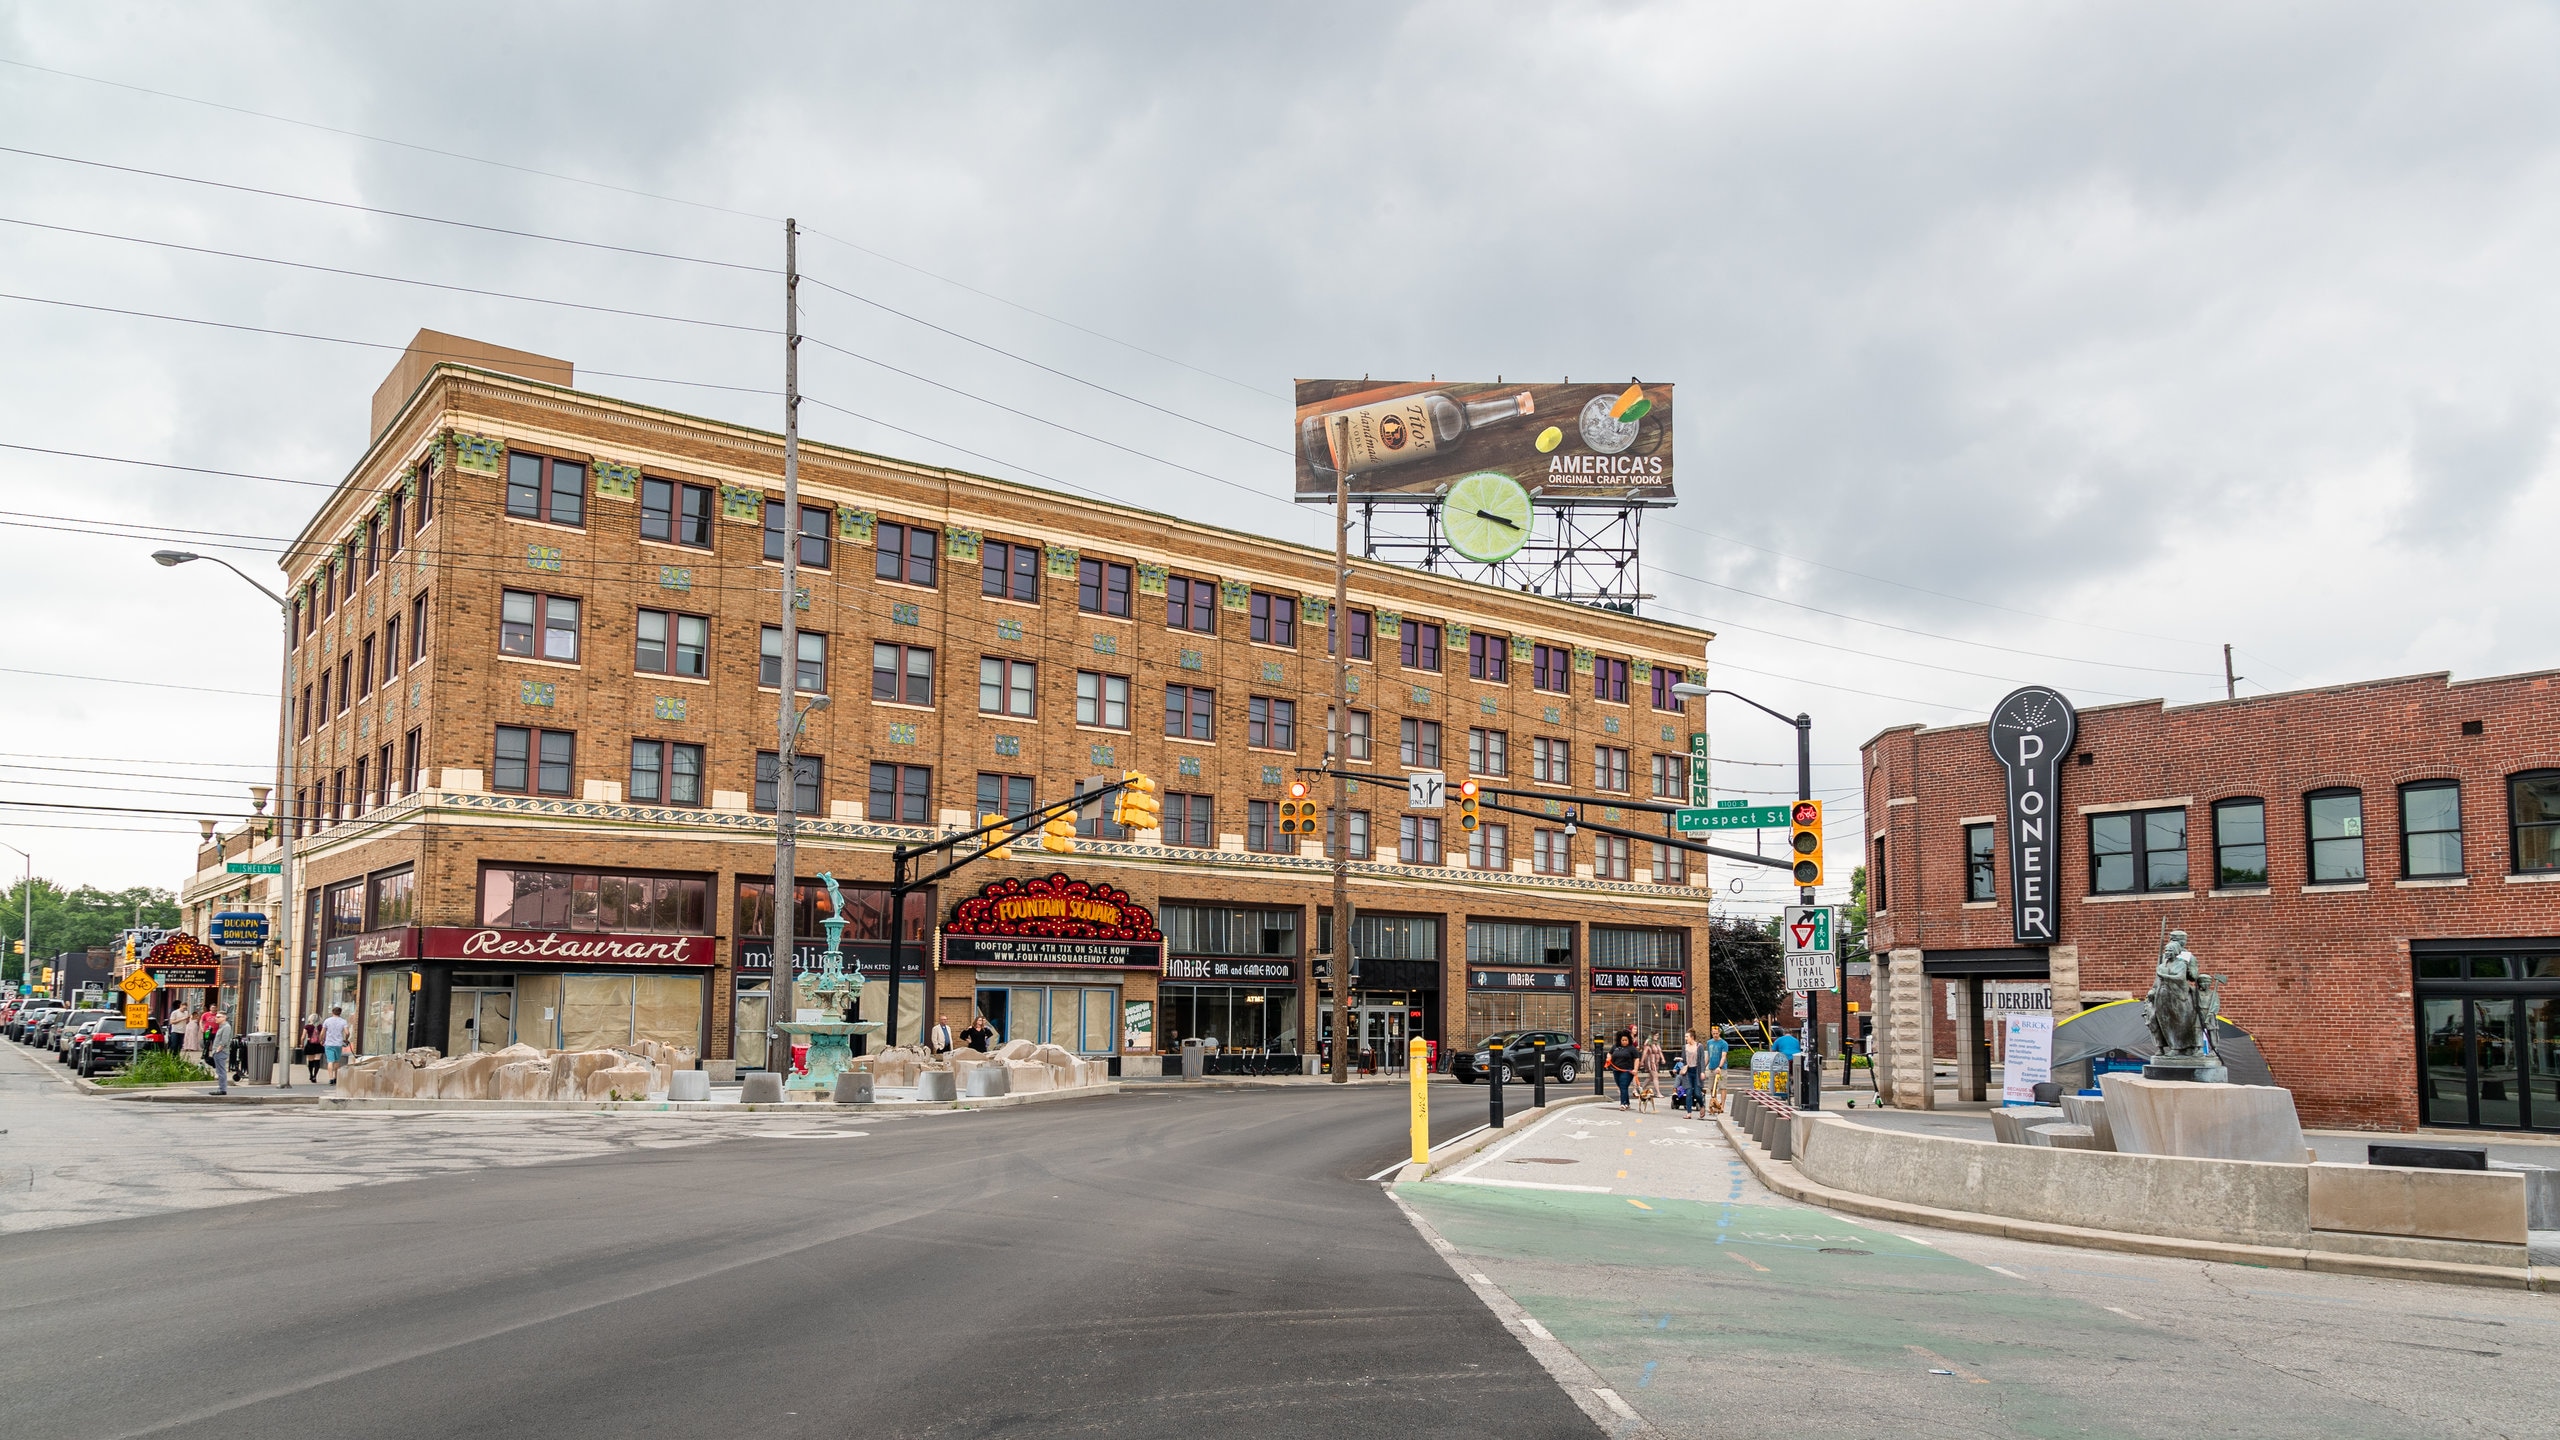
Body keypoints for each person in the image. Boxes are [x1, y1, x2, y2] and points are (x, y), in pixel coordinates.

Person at [204, 1008, 236, 1095]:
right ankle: (221, 1088)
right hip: (218, 1052)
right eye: (216, 1017)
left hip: (221, 1052)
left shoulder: (226, 1027)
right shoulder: (222, 1027)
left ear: (224, 1018)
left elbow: (224, 1040)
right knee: (219, 1070)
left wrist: (218, 1049)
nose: (216, 1018)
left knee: (221, 1071)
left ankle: (222, 1089)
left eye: (218, 1017)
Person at [1607, 1029, 1639, 1110]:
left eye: (1626, 1040)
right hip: (1616, 1070)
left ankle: (1623, 1103)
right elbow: (1610, 1053)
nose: (1624, 1042)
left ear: (1629, 1040)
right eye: (1622, 1040)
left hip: (1627, 1070)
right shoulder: (1615, 1047)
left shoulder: (1631, 1048)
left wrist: (1635, 1069)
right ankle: (1627, 1103)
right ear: (1619, 1040)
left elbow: (1636, 1059)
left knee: (1623, 1085)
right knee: (1621, 1086)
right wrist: (1609, 1057)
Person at [320, 1005, 352, 1084]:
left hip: (329, 1043)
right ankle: (336, 1077)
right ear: (340, 1013)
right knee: (337, 1061)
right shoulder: (343, 1021)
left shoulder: (327, 1021)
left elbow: (322, 1032)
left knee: (330, 1061)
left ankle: (330, 1078)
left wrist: (321, 1040)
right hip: (338, 1043)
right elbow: (347, 1032)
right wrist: (346, 1039)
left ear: (332, 1012)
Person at [300, 1013, 325, 1082]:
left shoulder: (307, 1026)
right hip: (318, 1044)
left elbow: (303, 1037)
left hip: (310, 1044)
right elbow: (323, 1035)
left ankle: (311, 1074)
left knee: (310, 1061)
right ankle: (315, 1076)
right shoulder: (321, 1026)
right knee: (317, 1060)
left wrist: (302, 1044)